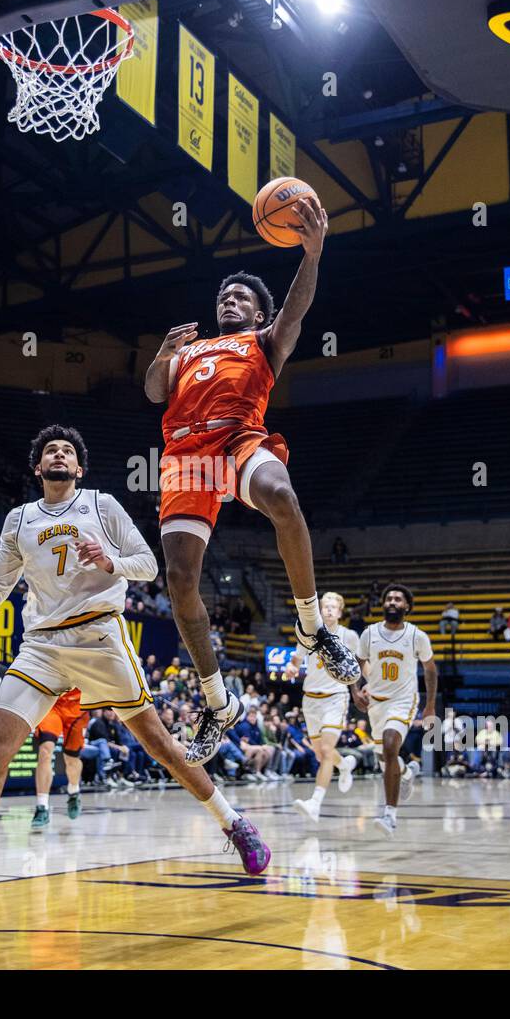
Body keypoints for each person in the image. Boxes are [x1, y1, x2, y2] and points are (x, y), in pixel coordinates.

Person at [0, 426, 271, 911]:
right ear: (38, 467)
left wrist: (111, 561)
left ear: (79, 469)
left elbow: (149, 565)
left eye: (67, 451)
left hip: (100, 636)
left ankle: (233, 822)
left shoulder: (102, 505)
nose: (58, 455)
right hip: (41, 645)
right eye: (49, 451)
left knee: (162, 747)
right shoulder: (19, 520)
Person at [142, 200, 360, 767]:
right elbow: (152, 393)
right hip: (186, 457)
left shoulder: (264, 341)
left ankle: (312, 628)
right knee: (182, 584)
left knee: (283, 496)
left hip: (238, 439)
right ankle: (218, 702)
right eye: (223, 296)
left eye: (240, 296)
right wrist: (163, 354)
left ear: (258, 311)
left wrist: (311, 253)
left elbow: (296, 308)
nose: (228, 300)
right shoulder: (188, 350)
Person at [355, 583, 437, 836]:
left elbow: (430, 670)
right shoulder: (369, 633)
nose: (392, 602)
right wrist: (355, 690)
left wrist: (430, 705)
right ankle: (406, 772)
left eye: (398, 599)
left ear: (407, 607)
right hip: (376, 703)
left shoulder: (416, 636)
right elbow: (356, 662)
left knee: (391, 745)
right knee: (385, 758)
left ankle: (390, 815)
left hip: (403, 700)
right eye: (389, 598)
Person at [286, 591, 360, 821]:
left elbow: (356, 668)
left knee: (326, 751)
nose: (328, 609)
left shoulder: (348, 636)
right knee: (320, 754)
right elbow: (296, 660)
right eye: (324, 606)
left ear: (339, 612)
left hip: (335, 697)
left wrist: (361, 690)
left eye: (332, 607)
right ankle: (345, 766)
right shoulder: (307, 633)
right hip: (310, 699)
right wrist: (292, 668)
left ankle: (315, 803)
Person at [31, 687, 88, 827]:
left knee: (72, 760)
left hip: (77, 707)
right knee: (45, 751)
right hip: (51, 703)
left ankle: (74, 792)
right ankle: (42, 807)